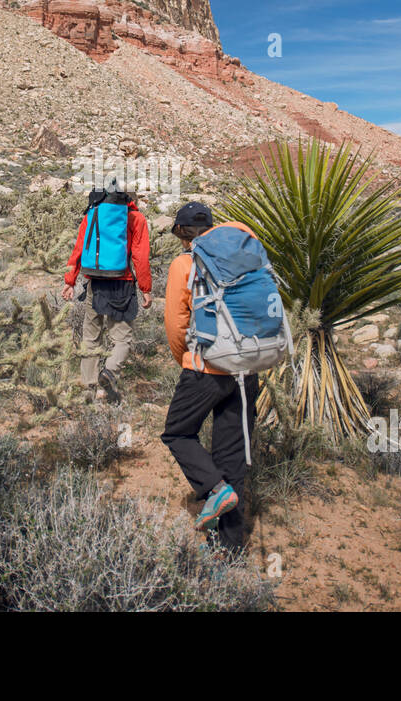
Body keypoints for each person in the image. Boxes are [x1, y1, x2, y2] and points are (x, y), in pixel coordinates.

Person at [161, 200, 260, 551]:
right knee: (231, 457)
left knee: (177, 433)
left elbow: (175, 324)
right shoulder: (245, 261)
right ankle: (229, 551)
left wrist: (184, 359)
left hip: (206, 368)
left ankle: (215, 491)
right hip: (247, 369)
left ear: (183, 235)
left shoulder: (184, 263)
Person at [61, 179, 151, 403]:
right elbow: (140, 257)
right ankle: (110, 372)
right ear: (131, 200)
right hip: (122, 284)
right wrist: (146, 288)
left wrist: (70, 281)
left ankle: (88, 389)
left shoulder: (94, 214)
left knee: (91, 338)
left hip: (95, 282)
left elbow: (79, 249)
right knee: (122, 339)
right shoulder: (136, 218)